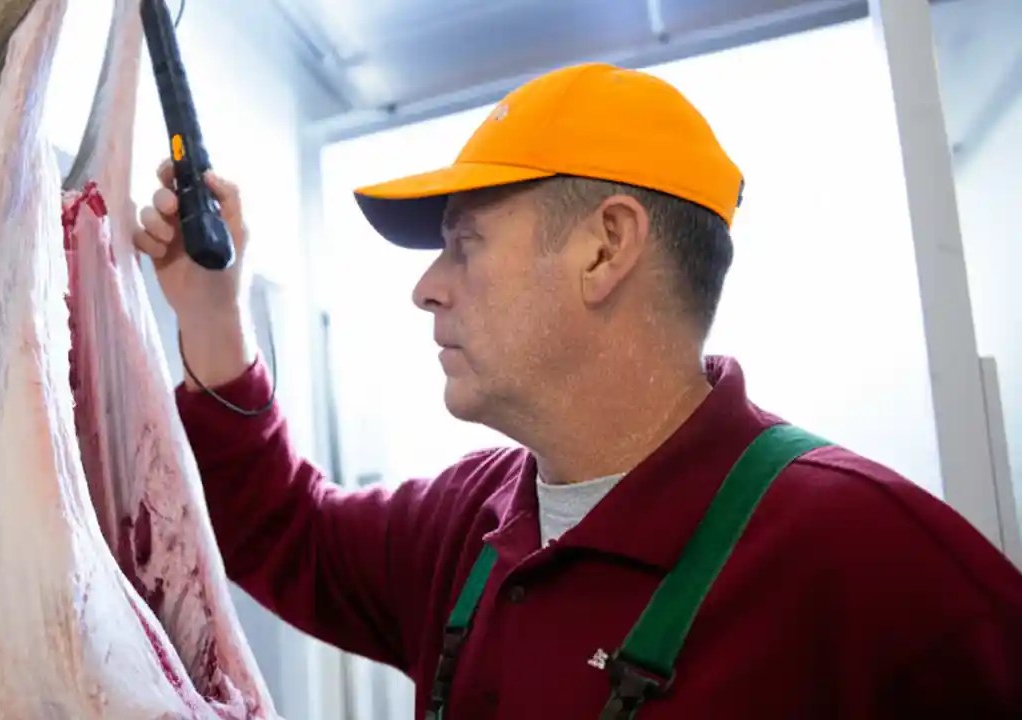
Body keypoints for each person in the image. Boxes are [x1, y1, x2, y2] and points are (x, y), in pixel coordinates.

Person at [134, 62, 1022, 719]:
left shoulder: (874, 562)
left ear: (605, 248)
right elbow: (285, 528)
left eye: (464, 244)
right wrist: (213, 313)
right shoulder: (470, 523)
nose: (427, 288)